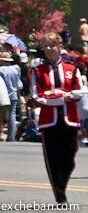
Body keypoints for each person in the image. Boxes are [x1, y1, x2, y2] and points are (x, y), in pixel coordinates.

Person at [31, 31, 86, 204]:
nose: (48, 49)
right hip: (49, 120)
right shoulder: (37, 71)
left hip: (70, 118)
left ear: (59, 47)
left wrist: (60, 94)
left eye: (52, 46)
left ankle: (62, 184)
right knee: (52, 157)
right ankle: (59, 193)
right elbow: (37, 96)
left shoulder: (72, 68)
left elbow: (79, 91)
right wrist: (61, 98)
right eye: (45, 46)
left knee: (70, 156)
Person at [0, 53, 23, 141]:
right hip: (13, 94)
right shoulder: (15, 69)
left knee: (0, 114)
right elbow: (18, 84)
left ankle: (0, 133)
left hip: (3, 95)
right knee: (12, 115)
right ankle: (11, 136)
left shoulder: (0, 70)